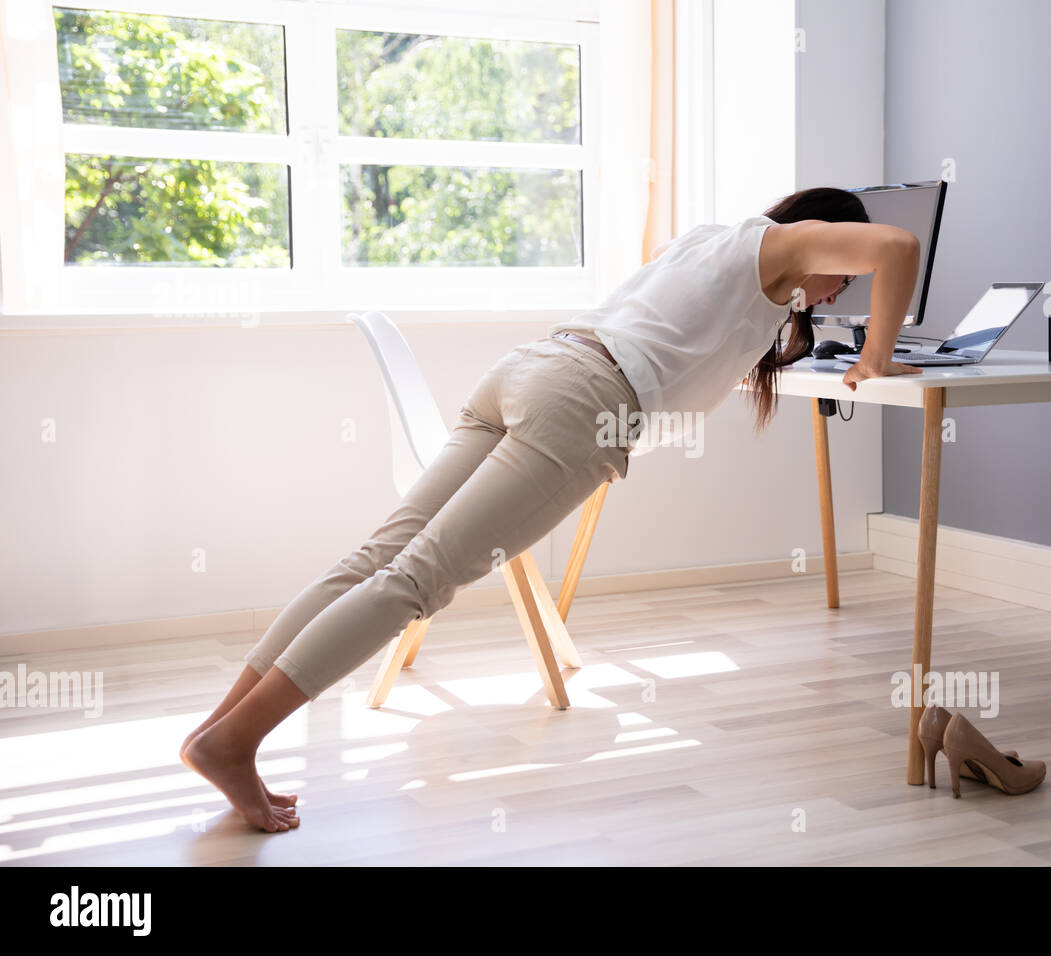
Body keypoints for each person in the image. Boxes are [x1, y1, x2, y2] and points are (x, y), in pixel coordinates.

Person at [179, 185, 922, 832]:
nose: (836, 297)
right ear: (827, 233)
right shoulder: (787, 244)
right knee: (415, 581)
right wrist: (877, 355)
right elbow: (897, 244)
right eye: (841, 283)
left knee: (377, 561)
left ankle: (219, 731)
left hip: (532, 368)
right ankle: (234, 742)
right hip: (581, 403)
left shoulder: (714, 242)